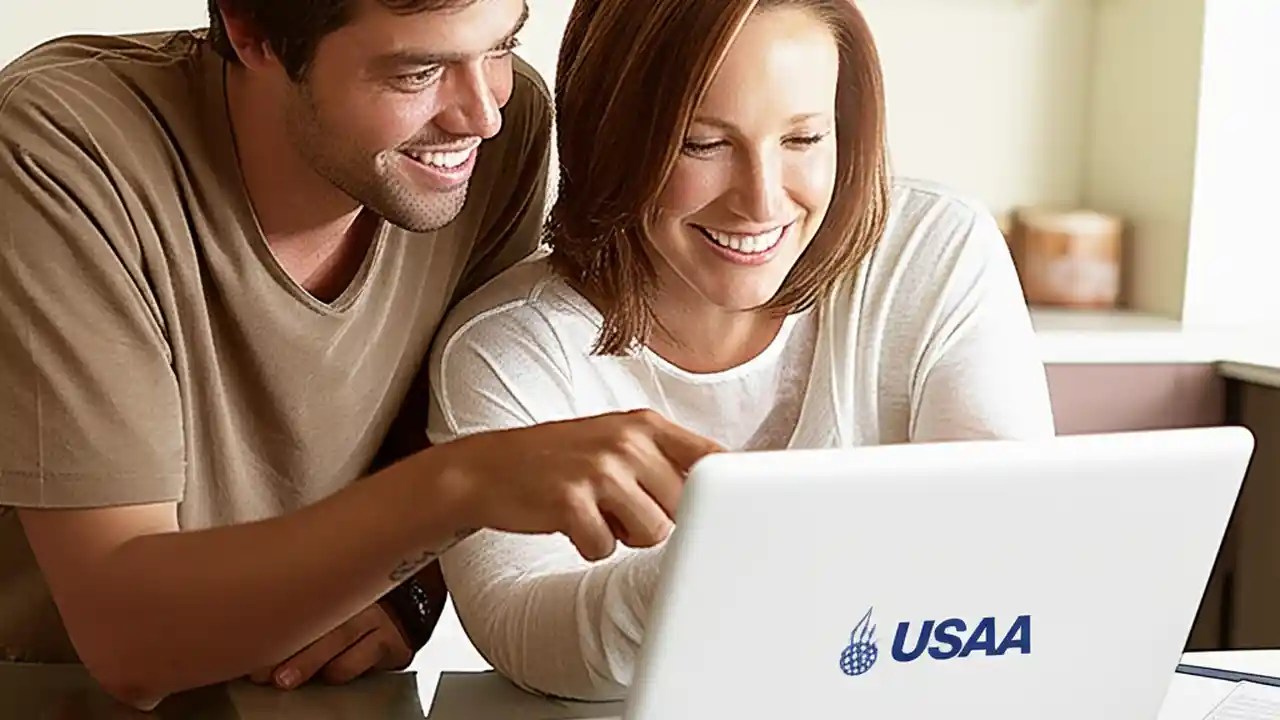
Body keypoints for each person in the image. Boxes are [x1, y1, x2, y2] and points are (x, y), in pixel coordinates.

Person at [0, 0, 721, 710]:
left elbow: (446, 405)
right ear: (252, 30)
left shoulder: (499, 139)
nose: (481, 114)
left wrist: (417, 585)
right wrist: (468, 482)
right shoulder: (62, 149)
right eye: (417, 72)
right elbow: (129, 640)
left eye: (503, 45)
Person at [426, 0, 1058, 703]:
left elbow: (1005, 554)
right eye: (703, 144)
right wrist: (721, 560)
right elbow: (521, 627)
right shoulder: (509, 346)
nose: (761, 203)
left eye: (805, 139)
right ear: (613, 137)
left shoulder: (933, 253)